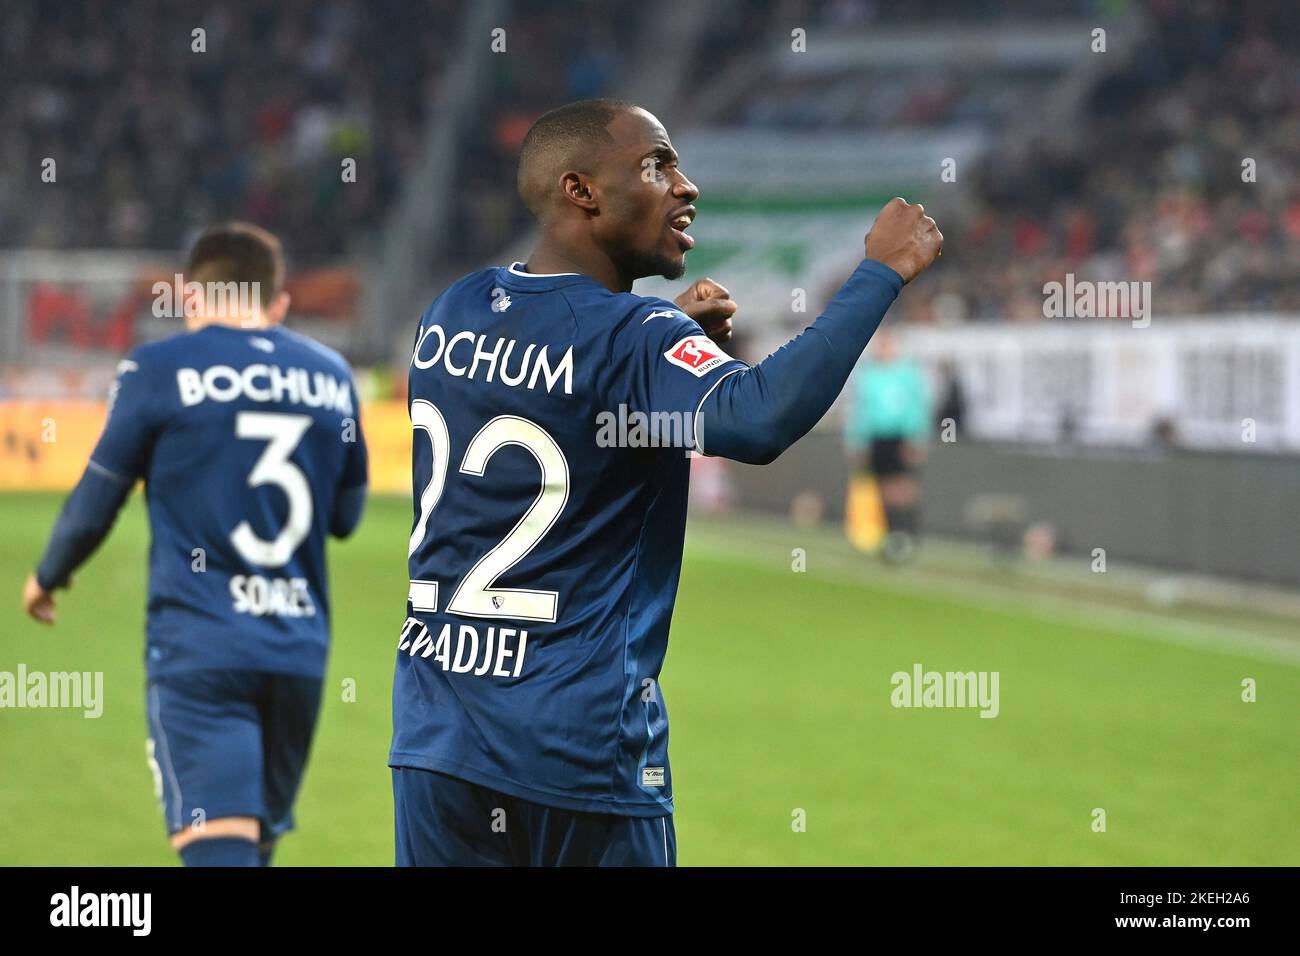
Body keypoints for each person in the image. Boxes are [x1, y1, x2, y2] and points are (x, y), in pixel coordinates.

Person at [391, 99, 941, 866]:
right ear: (581, 190)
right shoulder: (637, 339)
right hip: (576, 748)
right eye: (657, 165)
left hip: (436, 740)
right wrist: (877, 273)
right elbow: (757, 420)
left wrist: (659, 357)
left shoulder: (456, 308)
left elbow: (557, 393)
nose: (687, 187)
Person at [21, 223, 368, 866]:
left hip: (202, 647)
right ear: (279, 303)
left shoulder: (158, 369)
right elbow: (346, 517)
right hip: (297, 651)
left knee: (218, 847)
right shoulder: (332, 375)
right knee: (251, 845)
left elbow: (100, 495)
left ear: (191, 299)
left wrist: (48, 573)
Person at [844, 328, 933, 562]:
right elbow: (860, 411)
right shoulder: (867, 375)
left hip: (900, 437)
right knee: (882, 488)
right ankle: (891, 537)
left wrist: (916, 437)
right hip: (877, 438)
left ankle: (906, 536)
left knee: (902, 488)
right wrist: (857, 442)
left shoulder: (907, 374)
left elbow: (917, 408)